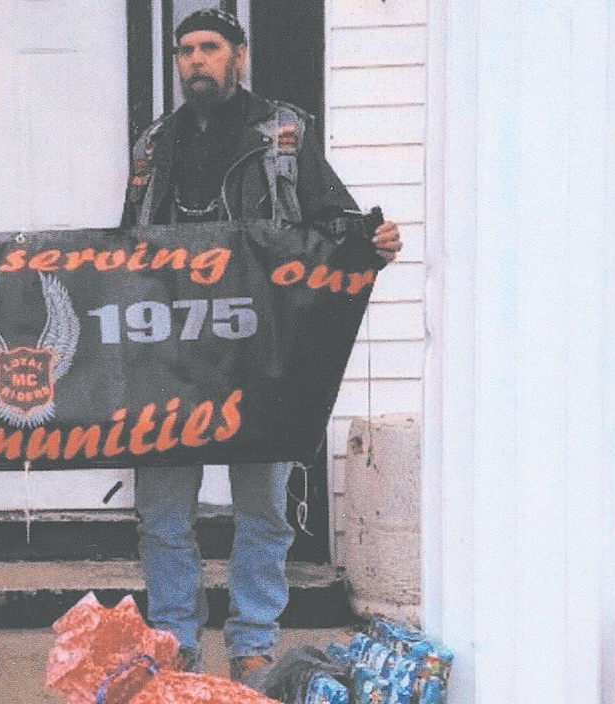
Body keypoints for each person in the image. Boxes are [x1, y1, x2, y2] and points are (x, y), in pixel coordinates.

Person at [120, 8, 403, 685]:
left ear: (238, 56)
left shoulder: (283, 134)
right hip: (172, 359)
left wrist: (371, 245)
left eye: (209, 48)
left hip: (261, 357)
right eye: (184, 51)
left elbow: (332, 220)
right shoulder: (154, 143)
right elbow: (124, 249)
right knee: (162, 511)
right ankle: (175, 642)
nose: (195, 61)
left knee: (264, 510)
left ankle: (251, 641)